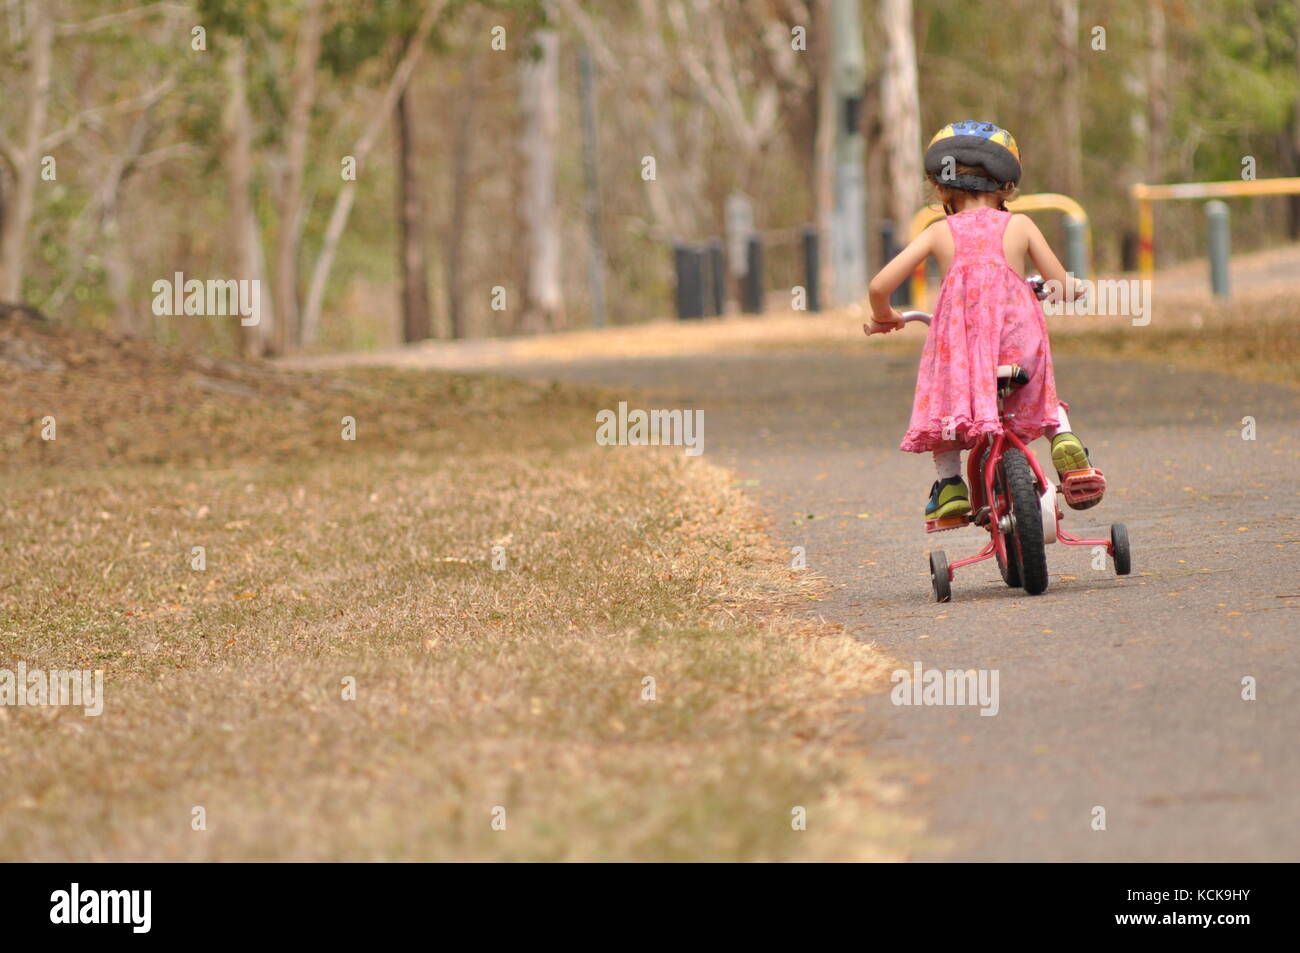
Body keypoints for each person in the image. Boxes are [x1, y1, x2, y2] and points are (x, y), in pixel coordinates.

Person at [865, 120, 1104, 522]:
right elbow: (1059, 283)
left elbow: (879, 285)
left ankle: (950, 485)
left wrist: (884, 315)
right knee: (1038, 390)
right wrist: (1072, 288)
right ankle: (1063, 438)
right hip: (1017, 341)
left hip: (962, 352)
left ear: (940, 189)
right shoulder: (1021, 225)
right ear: (1007, 187)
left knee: (946, 400)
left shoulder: (938, 232)